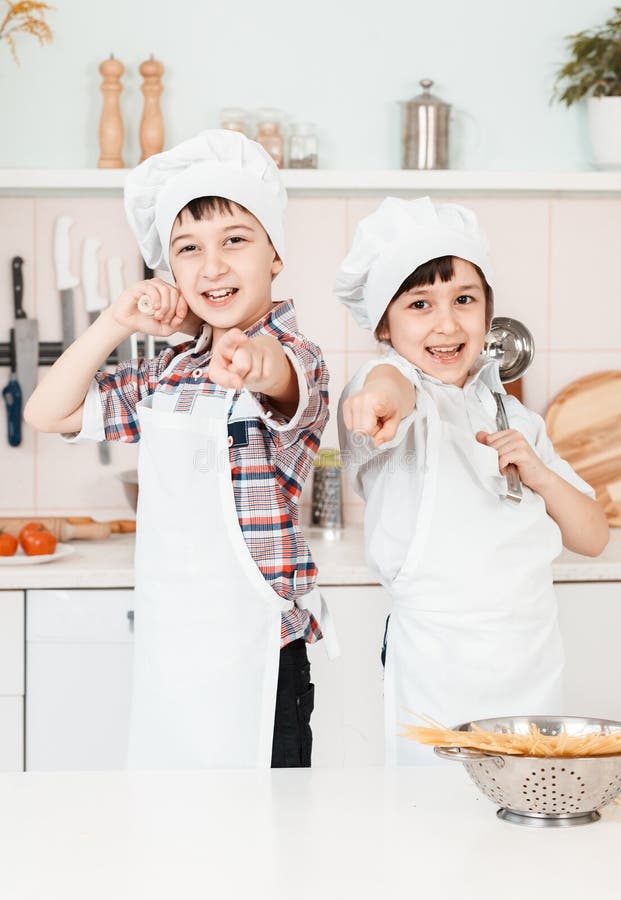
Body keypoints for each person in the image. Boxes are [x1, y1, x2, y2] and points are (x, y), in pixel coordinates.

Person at [25, 130, 338, 769]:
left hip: (264, 659)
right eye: (188, 250)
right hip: (174, 654)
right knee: (178, 844)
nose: (212, 266)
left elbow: (280, 377)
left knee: (269, 851)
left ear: (274, 253)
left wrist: (250, 359)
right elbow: (46, 410)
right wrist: (115, 322)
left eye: (235, 241)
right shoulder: (167, 372)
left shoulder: (297, 357)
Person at [335, 196, 609, 765]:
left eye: (464, 299)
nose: (446, 323)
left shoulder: (514, 417)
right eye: (419, 304)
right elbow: (389, 387)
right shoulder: (391, 392)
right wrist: (379, 402)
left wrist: (538, 474)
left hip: (530, 652)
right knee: (437, 822)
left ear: (488, 312)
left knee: (521, 818)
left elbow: (593, 536)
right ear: (384, 324)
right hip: (438, 660)